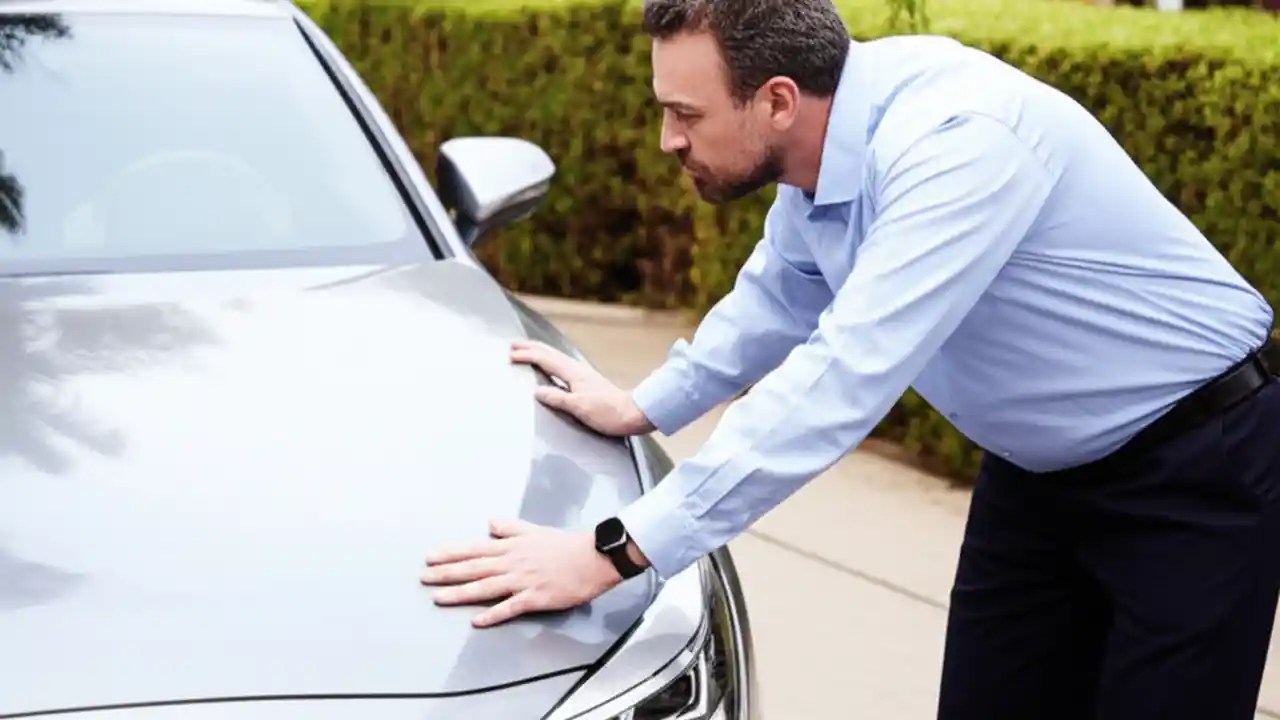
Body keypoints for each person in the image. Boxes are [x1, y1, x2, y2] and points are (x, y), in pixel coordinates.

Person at [419, 0, 1280, 716]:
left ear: (779, 100)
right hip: (1037, 483)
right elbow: (779, 295)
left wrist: (614, 549)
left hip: (1199, 473)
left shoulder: (960, 144)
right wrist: (645, 405)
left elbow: (840, 378)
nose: (667, 142)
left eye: (685, 115)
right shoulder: (827, 149)